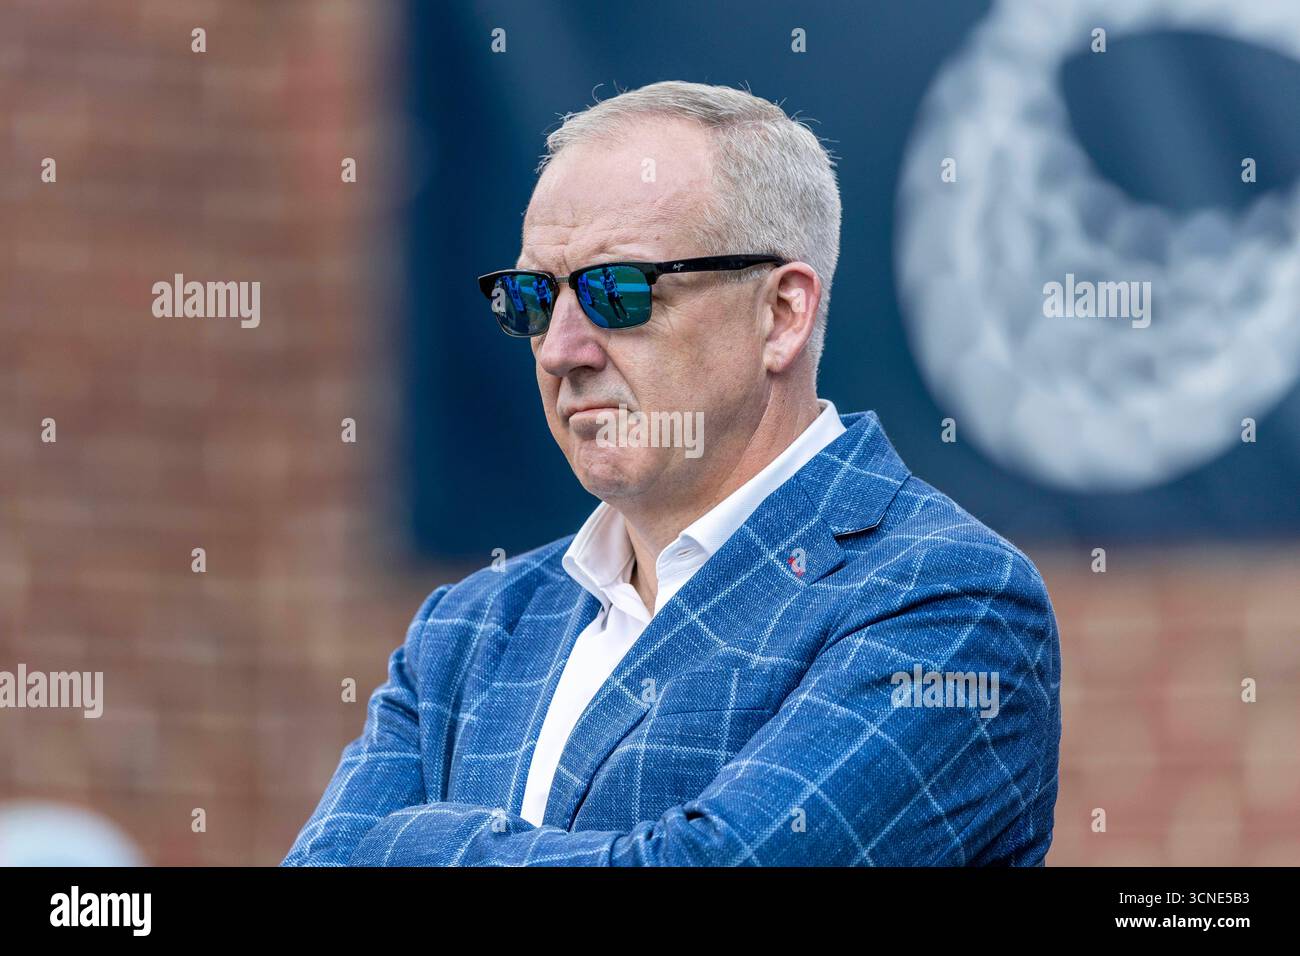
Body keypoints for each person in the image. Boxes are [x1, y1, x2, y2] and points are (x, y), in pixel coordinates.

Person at [283, 80, 1061, 867]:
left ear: (782, 314)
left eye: (616, 292)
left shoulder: (951, 599)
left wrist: (413, 846)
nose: (560, 350)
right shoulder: (468, 629)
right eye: (530, 299)